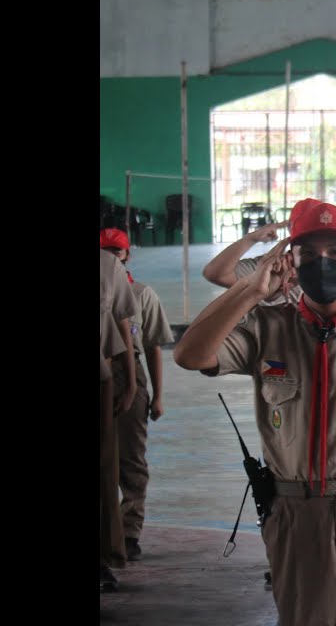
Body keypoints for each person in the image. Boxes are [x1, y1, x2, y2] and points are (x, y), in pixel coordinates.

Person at [173, 202, 336, 626]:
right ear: (290, 262)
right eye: (309, 253)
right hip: (297, 513)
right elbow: (190, 354)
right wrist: (251, 292)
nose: (323, 262)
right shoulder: (266, 328)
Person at [101, 227, 175, 563]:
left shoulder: (142, 294)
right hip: (107, 368)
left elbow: (152, 345)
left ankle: (129, 532)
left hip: (127, 371)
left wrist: (156, 395)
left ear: (126, 255)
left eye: (116, 252)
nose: (111, 257)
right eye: (105, 251)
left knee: (130, 460)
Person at [202, 197, 336, 308]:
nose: (322, 261)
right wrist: (252, 238)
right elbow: (216, 273)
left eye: (334, 251)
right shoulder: (272, 266)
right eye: (309, 250)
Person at [101, 249, 139, 593]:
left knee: (106, 473)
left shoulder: (107, 267)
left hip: (102, 383)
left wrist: (131, 384)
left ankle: (106, 555)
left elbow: (119, 332)